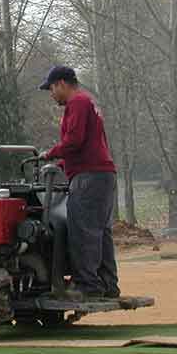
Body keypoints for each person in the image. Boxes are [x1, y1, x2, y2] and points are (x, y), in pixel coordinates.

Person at [38, 66, 120, 301]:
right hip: (102, 175)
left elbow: (74, 140)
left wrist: (50, 154)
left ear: (62, 83)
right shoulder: (89, 103)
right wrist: (64, 163)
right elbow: (88, 145)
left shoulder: (78, 103)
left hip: (89, 177)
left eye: (52, 88)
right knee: (100, 232)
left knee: (82, 230)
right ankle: (108, 284)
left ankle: (87, 286)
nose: (52, 94)